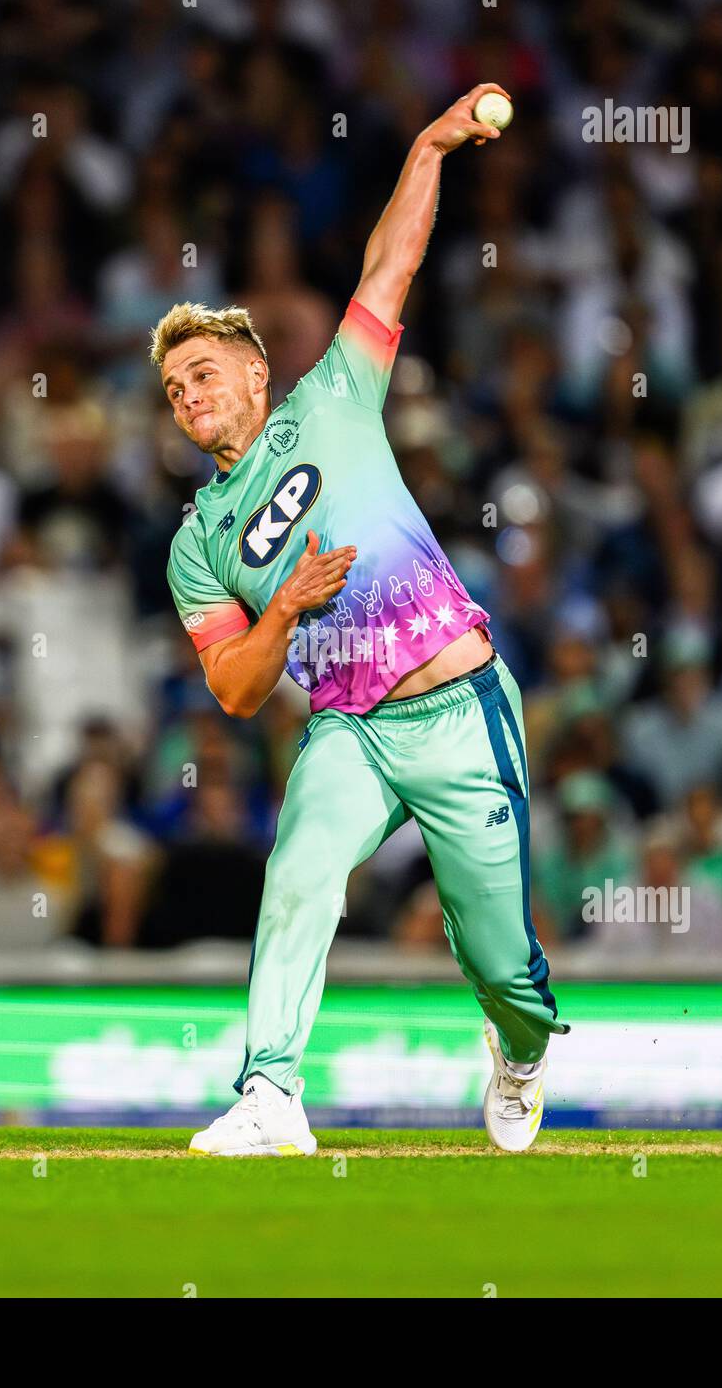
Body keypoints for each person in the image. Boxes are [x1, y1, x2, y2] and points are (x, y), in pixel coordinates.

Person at [155, 85, 570, 1157]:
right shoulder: (196, 543)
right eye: (170, 387)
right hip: (349, 724)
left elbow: (391, 261)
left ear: (256, 371)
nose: (187, 393)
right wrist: (284, 609)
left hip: (459, 704)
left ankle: (520, 1046)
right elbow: (238, 691)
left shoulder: (333, 393)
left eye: (202, 371)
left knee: (497, 958)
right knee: (298, 870)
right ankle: (272, 1095)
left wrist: (432, 144)